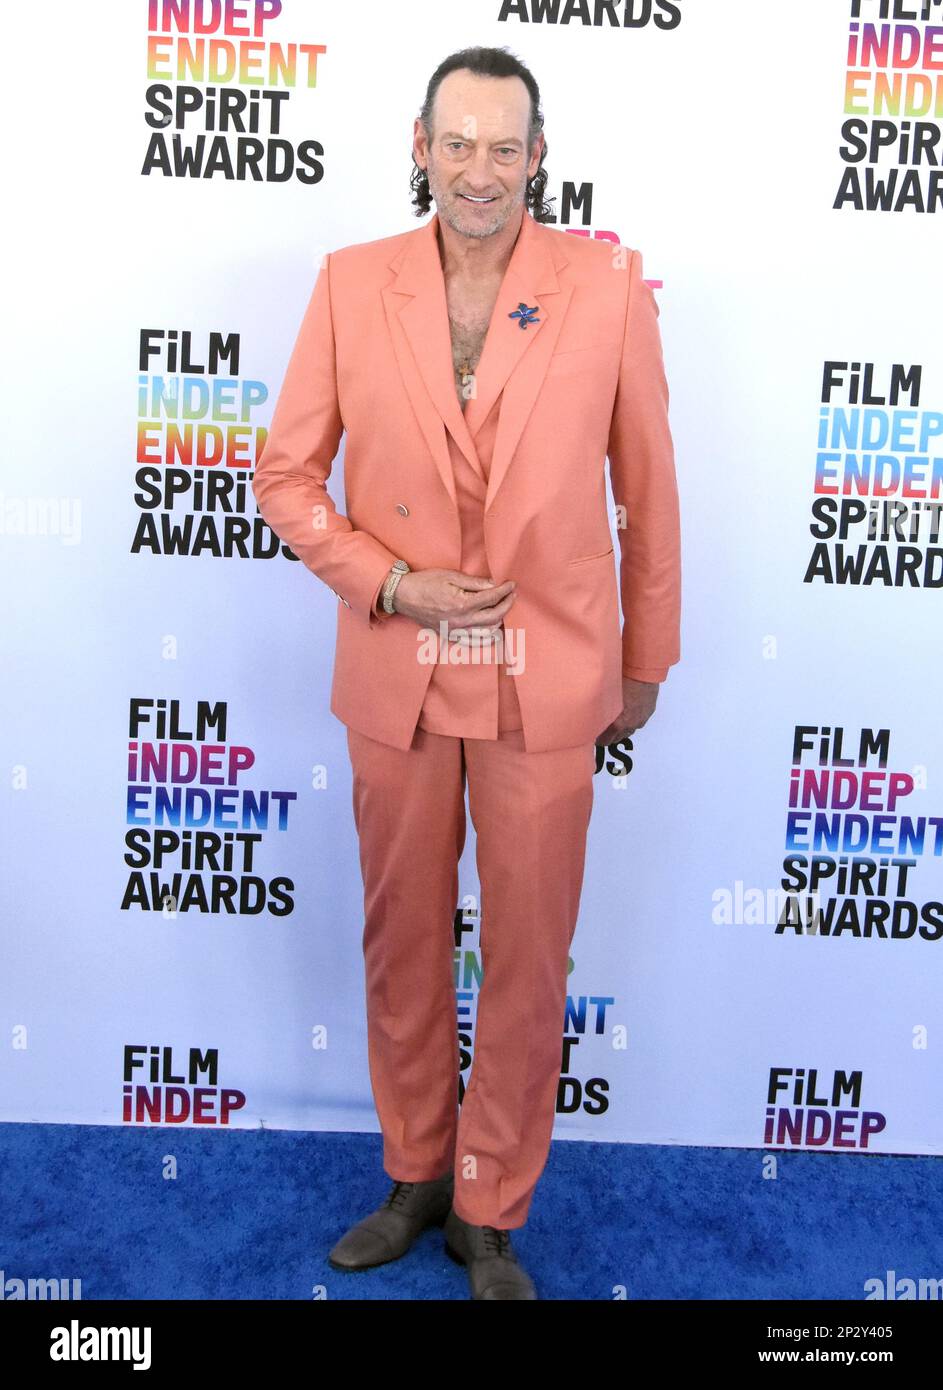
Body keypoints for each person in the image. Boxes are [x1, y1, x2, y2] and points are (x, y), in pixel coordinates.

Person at [252, 44, 681, 1301]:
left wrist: (645, 654)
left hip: (546, 678)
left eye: (505, 146)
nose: (479, 169)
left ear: (538, 157)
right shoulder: (348, 283)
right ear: (419, 147)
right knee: (400, 934)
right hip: (399, 665)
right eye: (458, 142)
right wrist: (388, 582)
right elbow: (284, 477)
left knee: (531, 947)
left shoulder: (606, 288)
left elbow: (647, 488)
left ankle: (490, 1205)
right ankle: (415, 1173)